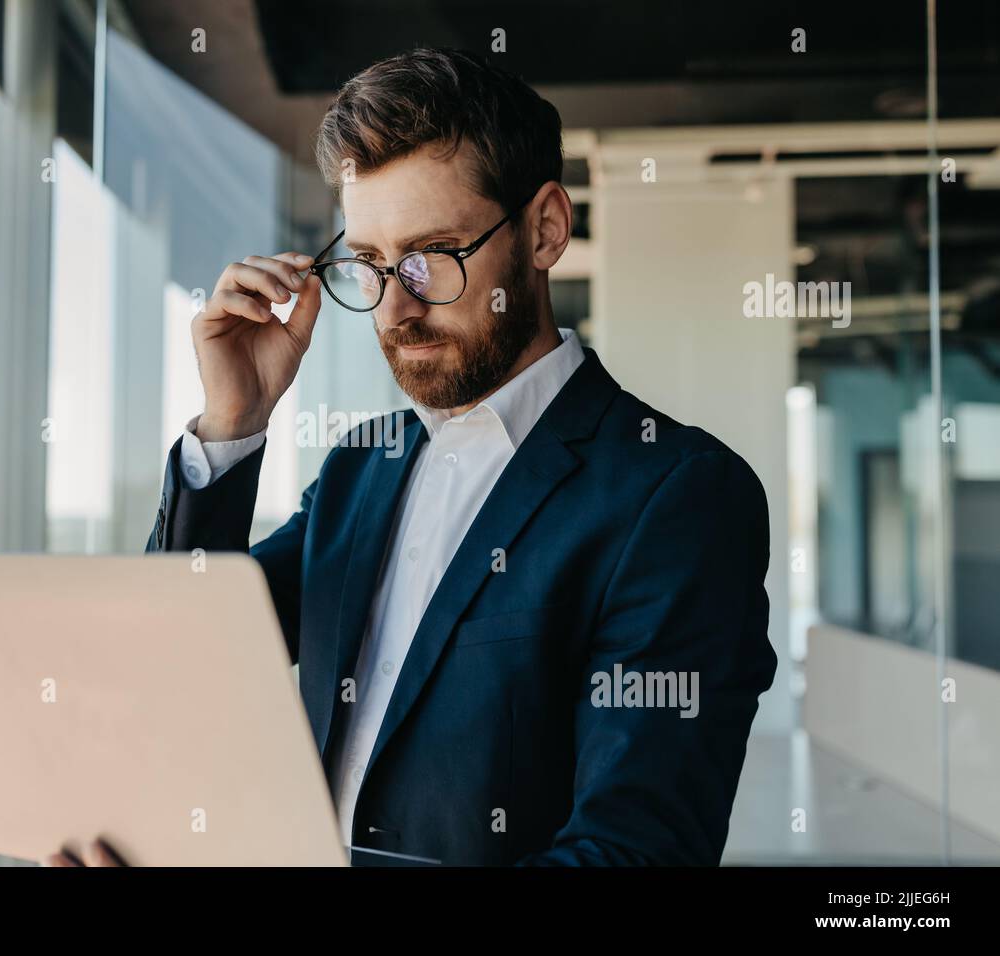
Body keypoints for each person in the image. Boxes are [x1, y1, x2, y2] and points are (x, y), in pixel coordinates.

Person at [45, 47, 776, 868]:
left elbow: (634, 855)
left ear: (544, 230)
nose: (395, 307)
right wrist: (232, 421)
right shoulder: (365, 468)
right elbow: (176, 663)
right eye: (370, 264)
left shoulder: (674, 495)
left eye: (434, 255)